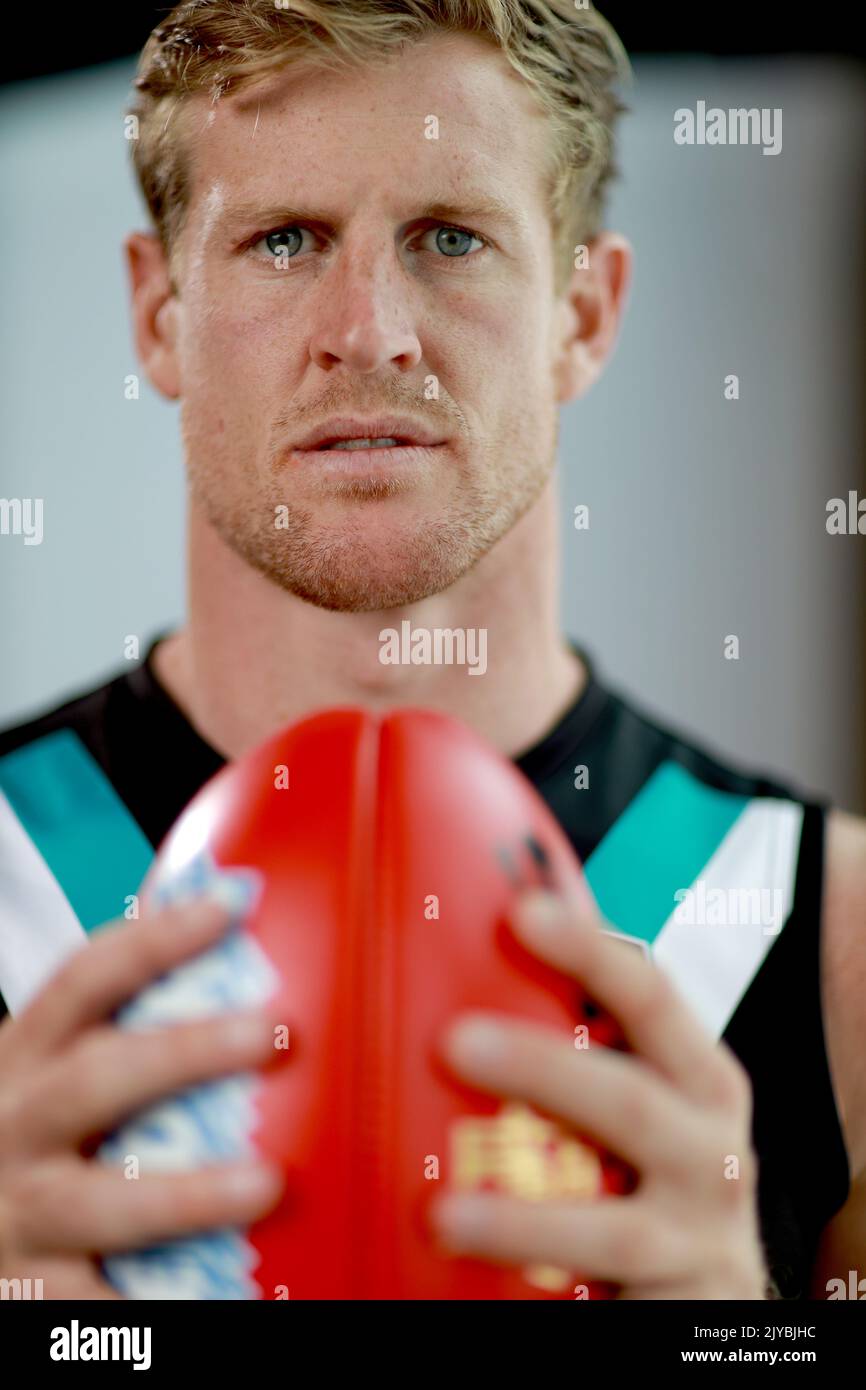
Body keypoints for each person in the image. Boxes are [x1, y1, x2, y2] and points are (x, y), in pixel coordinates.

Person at [0, 0, 862, 1301]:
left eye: (449, 237)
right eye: (283, 239)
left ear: (584, 312)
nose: (369, 330)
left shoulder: (835, 937)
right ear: (159, 311)